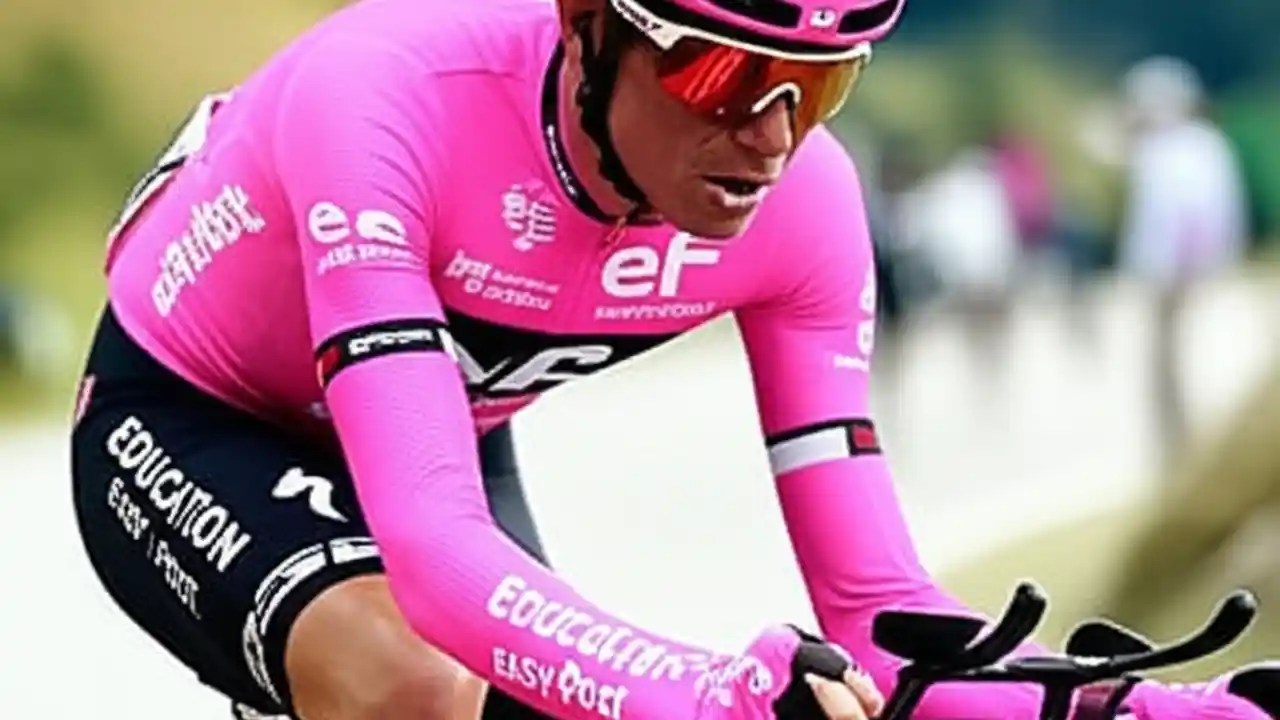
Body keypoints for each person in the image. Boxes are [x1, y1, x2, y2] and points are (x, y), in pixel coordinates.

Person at [68, 0, 1273, 719]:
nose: (771, 134)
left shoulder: (808, 205)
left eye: (818, 82)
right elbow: (436, 559)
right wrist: (703, 696)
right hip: (189, 414)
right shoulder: (384, 92)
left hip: (447, 428)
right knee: (416, 685)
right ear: (590, 25)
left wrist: (1127, 706)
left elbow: (875, 614)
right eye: (726, 73)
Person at [1117, 56, 1249, 469]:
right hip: (1184, 268)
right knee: (1168, 364)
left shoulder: (1175, 148)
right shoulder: (1201, 143)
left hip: (1174, 272)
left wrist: (1180, 267)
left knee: (1170, 365)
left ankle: (1179, 451)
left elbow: (1187, 214)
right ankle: (1177, 448)